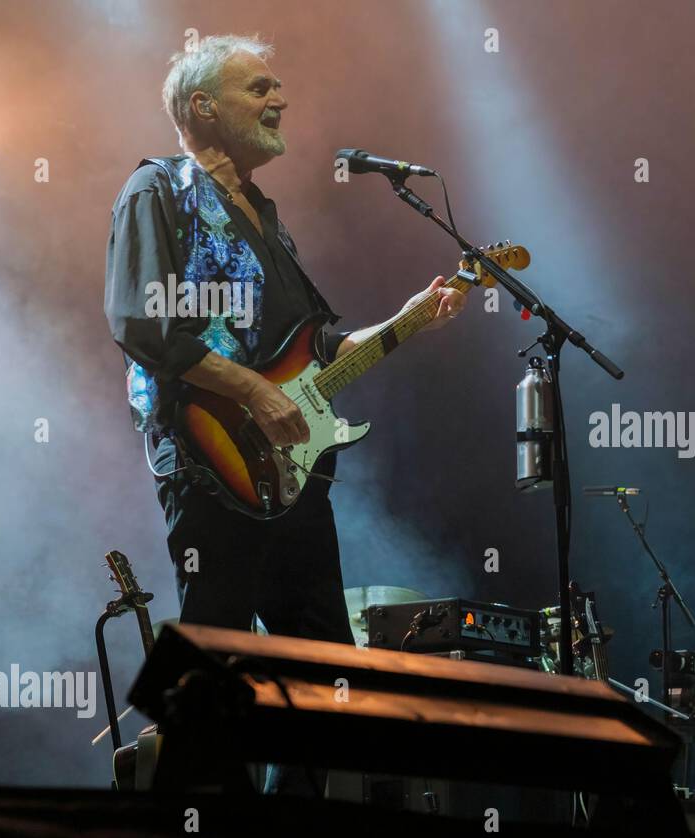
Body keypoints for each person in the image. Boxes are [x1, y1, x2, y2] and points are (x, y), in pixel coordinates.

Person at [104, 35, 466, 793]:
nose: (282, 99)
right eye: (259, 87)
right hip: (210, 461)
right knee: (214, 669)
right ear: (202, 106)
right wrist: (253, 391)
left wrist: (402, 322)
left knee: (322, 669)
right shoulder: (158, 191)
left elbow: (316, 354)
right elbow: (142, 324)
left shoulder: (267, 218)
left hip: (290, 476)